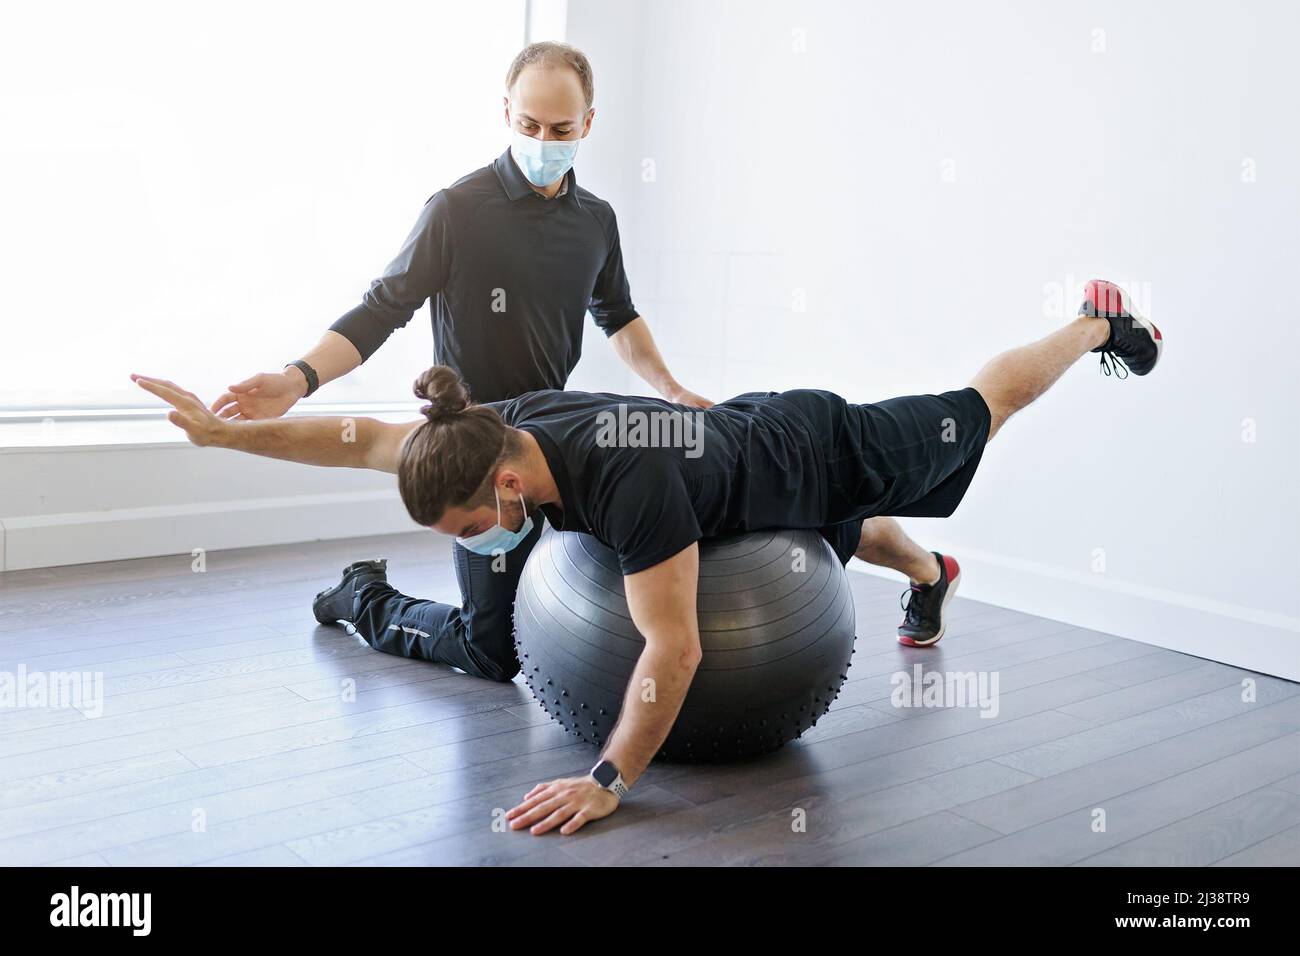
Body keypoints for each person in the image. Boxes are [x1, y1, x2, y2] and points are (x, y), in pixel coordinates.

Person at [134, 277, 1163, 834]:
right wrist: (229, 431)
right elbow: (363, 439)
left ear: (500, 488)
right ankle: (931, 575)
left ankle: (1091, 322)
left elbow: (673, 649)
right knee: (842, 529)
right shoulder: (485, 431)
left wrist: (608, 780)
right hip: (740, 459)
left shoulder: (627, 486)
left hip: (814, 444)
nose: (476, 549)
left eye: (463, 533)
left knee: (985, 406)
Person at [203, 39, 956, 680]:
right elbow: (382, 307)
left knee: (770, 491)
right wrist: (298, 378)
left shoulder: (596, 220)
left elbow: (617, 316)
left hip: (567, 444)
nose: (542, 137)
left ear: (587, 123)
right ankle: (361, 595)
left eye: (560, 126)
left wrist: (675, 390)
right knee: (493, 652)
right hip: (479, 449)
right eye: (528, 122)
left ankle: (928, 571)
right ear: (505, 113)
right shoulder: (456, 211)